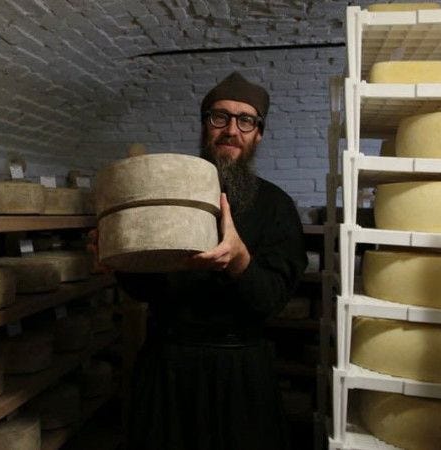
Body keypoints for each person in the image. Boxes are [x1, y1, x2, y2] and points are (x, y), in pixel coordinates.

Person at [96, 71, 307, 450]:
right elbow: (147, 289)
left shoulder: (277, 207)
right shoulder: (165, 195)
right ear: (204, 125)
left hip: (240, 374)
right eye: (220, 117)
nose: (232, 130)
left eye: (246, 120)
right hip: (167, 368)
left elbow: (272, 300)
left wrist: (240, 260)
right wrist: (120, 260)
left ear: (259, 133)